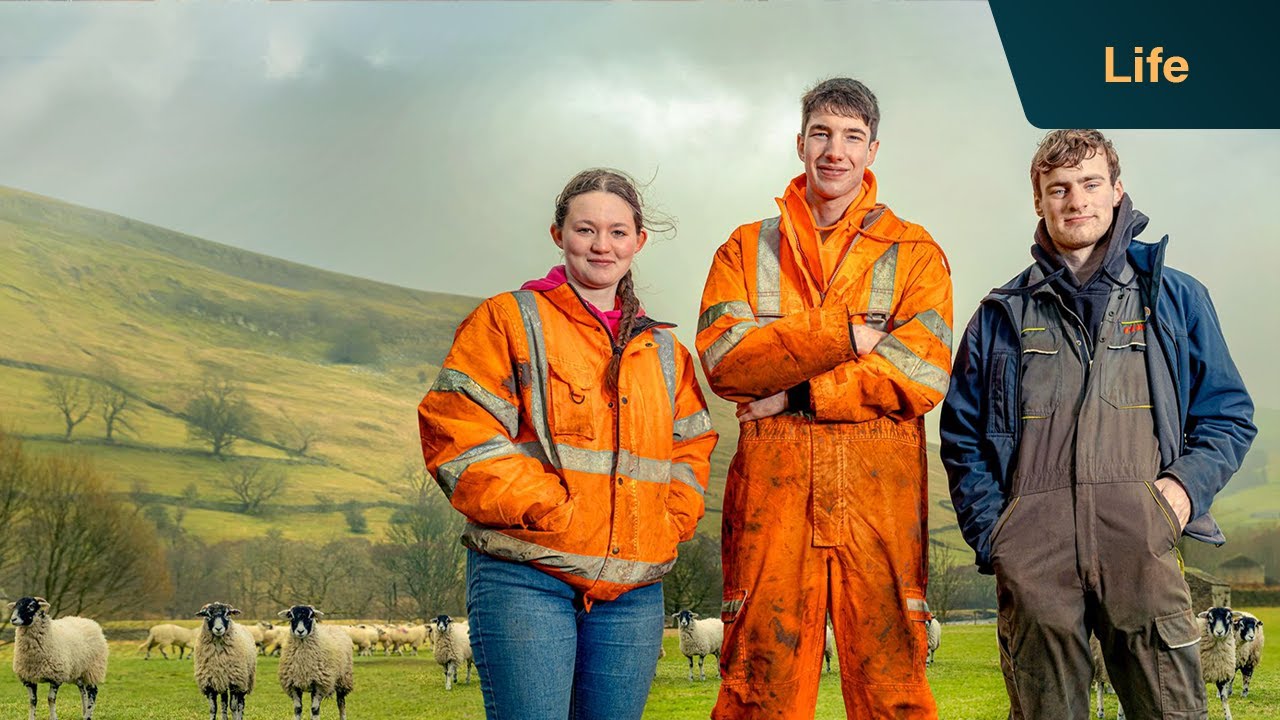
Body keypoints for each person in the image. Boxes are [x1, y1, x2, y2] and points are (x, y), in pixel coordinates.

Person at [940, 129, 1257, 718]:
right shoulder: (1000, 316)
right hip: (1035, 562)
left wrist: (1178, 497)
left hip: (1142, 547)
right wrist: (999, 535)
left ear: (1117, 191)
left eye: (1090, 184)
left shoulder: (1175, 297)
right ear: (1038, 200)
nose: (1076, 200)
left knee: (1170, 711)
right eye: (1058, 188)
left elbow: (1228, 415)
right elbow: (963, 440)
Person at [418, 168, 718, 720]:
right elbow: (459, 432)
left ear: (639, 241)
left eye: (618, 232)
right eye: (585, 230)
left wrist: (667, 519)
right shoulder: (507, 321)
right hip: (527, 577)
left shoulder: (666, 351)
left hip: (633, 591)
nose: (602, 245)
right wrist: (553, 512)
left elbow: (692, 447)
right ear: (558, 234)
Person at [696, 77, 952, 719]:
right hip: (773, 502)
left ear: (873, 151)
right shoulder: (745, 248)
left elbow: (919, 374)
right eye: (822, 134)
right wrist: (849, 334)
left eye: (852, 137)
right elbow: (727, 361)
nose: (835, 151)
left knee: (894, 691)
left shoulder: (914, 252)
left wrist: (799, 393)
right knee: (759, 689)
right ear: (800, 143)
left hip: (879, 500)